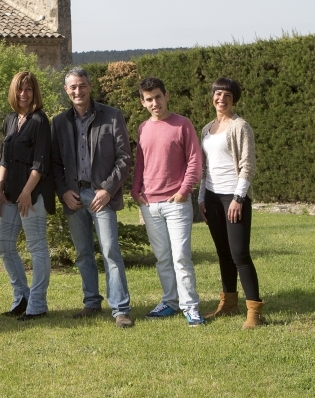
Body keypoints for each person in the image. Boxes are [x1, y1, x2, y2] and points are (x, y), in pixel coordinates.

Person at [51, 67, 135, 328]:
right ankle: (91, 302)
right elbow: (54, 163)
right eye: (73, 87)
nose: (78, 91)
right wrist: (63, 191)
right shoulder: (59, 122)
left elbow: (124, 157)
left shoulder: (111, 116)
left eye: (82, 85)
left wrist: (108, 190)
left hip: (102, 196)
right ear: (67, 90)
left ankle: (120, 309)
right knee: (83, 253)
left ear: (90, 86)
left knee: (110, 250)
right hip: (73, 197)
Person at [132, 77, 205, 326]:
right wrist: (136, 192)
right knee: (162, 257)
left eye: (158, 97)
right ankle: (170, 302)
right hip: (150, 204)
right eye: (149, 99)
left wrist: (185, 191)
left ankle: (190, 306)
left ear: (167, 95)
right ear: (143, 102)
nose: (155, 103)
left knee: (181, 257)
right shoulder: (143, 128)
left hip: (176, 202)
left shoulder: (182, 125)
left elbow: (195, 160)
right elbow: (140, 163)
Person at [198, 77, 265, 329]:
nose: (221, 99)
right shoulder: (206, 129)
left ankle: (254, 312)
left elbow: (248, 166)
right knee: (223, 254)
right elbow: (205, 169)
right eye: (217, 94)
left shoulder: (241, 126)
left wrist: (238, 198)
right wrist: (202, 197)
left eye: (227, 95)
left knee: (240, 255)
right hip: (212, 198)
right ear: (212, 97)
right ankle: (228, 304)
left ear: (233, 99)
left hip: (234, 197)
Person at [0, 71, 54, 321]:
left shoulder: (40, 120)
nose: (23, 94)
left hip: (33, 194)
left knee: (37, 247)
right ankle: (22, 297)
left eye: (28, 89)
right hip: (10, 194)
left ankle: (38, 304)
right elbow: (5, 158)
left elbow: (40, 161)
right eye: (19, 89)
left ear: (34, 92)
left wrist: (27, 192)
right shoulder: (10, 119)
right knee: (4, 244)